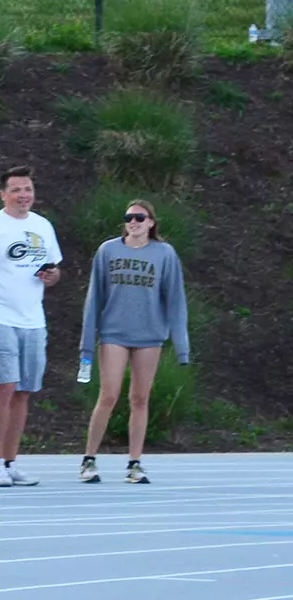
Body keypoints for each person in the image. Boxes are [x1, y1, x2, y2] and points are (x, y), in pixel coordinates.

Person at [78, 199, 190, 484]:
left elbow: (175, 301)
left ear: (151, 222)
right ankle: (89, 459)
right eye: (129, 217)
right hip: (114, 333)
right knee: (109, 394)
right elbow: (95, 298)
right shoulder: (108, 250)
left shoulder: (164, 254)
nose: (134, 222)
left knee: (140, 398)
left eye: (140, 218)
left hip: (149, 335)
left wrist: (182, 347)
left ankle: (135, 463)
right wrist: (87, 342)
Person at [0, 165, 62, 488]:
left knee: (23, 391)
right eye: (16, 190)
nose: (23, 195)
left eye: (28, 189)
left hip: (33, 320)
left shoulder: (42, 226)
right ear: (3, 194)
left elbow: (53, 271)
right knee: (4, 385)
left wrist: (51, 276)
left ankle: (10, 461)